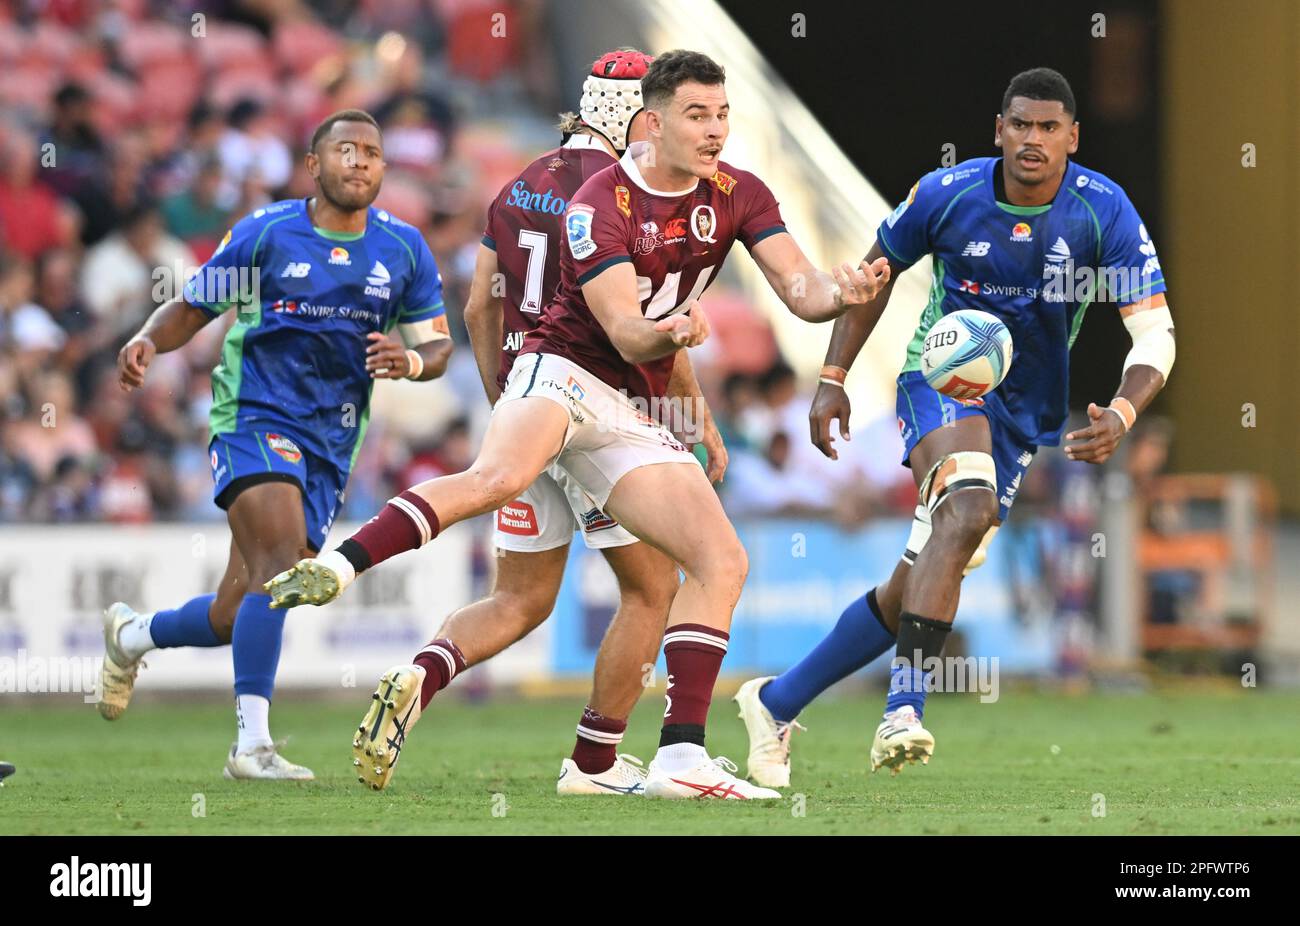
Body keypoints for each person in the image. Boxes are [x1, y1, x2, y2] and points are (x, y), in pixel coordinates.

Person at [265, 49, 889, 800]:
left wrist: (840, 289)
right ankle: (587, 755)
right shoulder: (599, 199)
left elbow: (484, 309)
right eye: (698, 114)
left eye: (723, 114)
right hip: (569, 378)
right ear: (643, 119)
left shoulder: (578, 186)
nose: (717, 129)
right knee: (642, 583)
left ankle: (662, 756)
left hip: (575, 397)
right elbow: (634, 330)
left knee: (621, 575)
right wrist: (677, 375)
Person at [735, 67, 1175, 785]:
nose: (1032, 140)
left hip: (1020, 413)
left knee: (914, 580)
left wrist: (1123, 411)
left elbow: (1156, 335)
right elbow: (871, 279)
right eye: (1020, 125)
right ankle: (904, 710)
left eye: (1048, 128)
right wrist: (832, 379)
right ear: (998, 129)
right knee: (965, 509)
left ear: (1071, 137)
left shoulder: (1105, 211)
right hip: (939, 381)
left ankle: (776, 703)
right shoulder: (946, 193)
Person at [98, 110, 454, 781]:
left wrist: (410, 362)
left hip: (331, 440)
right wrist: (148, 338)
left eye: (373, 153)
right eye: (345, 150)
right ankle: (252, 747)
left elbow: (437, 344)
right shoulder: (269, 234)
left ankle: (131, 635)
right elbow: (194, 306)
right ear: (313, 165)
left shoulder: (404, 249)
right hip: (253, 415)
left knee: (241, 609)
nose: (361, 162)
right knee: (284, 560)